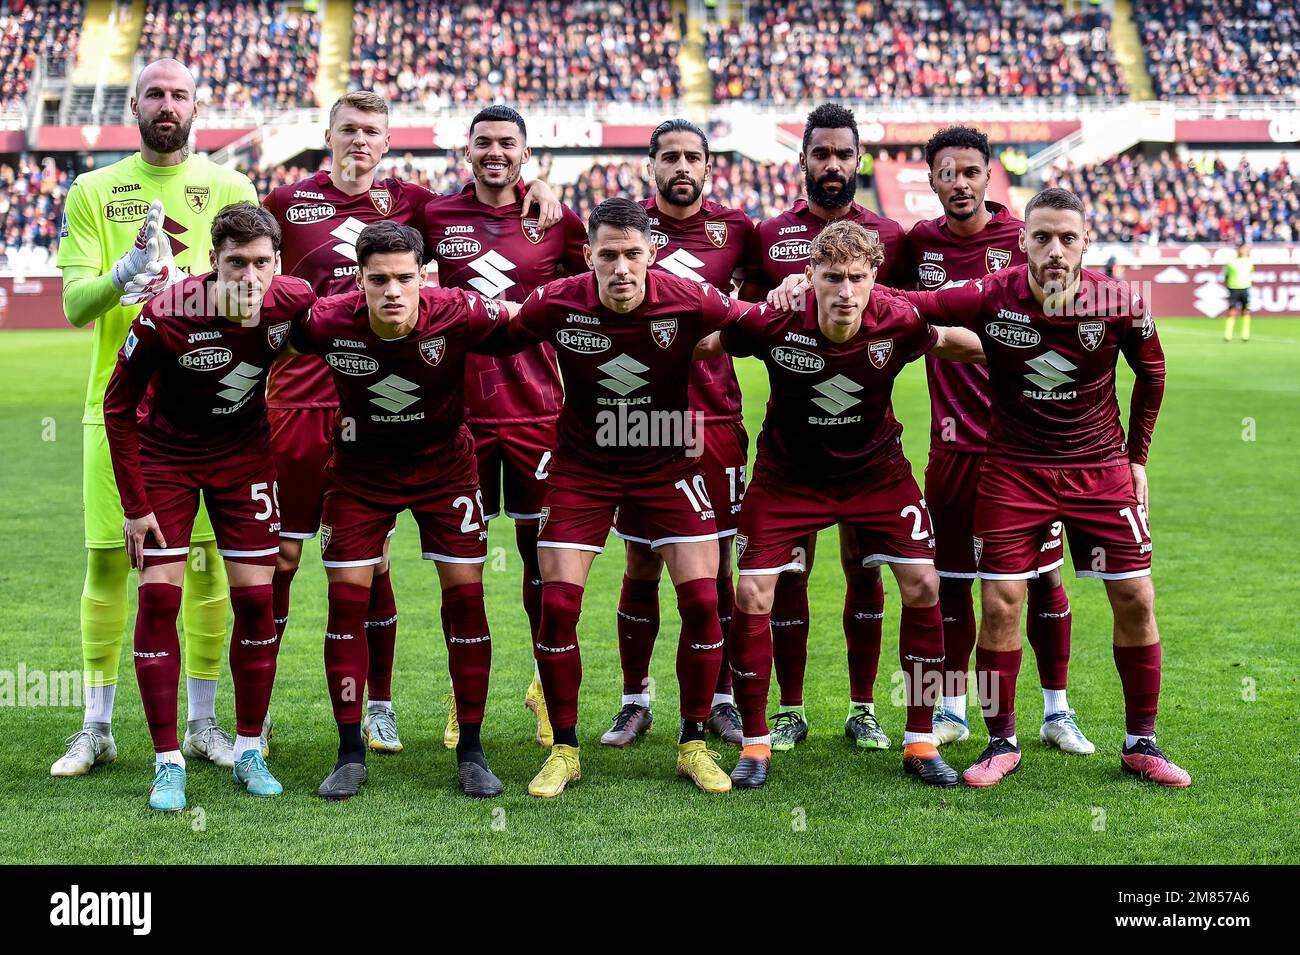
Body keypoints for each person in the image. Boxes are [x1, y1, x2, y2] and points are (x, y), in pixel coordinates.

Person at [262, 91, 562, 756]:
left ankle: (383, 706)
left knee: (381, 566)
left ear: (388, 139)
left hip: (402, 414)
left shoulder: (415, 204)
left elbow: (488, 202)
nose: (360, 141)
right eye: (349, 129)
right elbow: (252, 278)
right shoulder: (285, 203)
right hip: (300, 405)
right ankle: (258, 715)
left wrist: (538, 182)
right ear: (329, 133)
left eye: (372, 130)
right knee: (282, 559)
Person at [901, 187, 1190, 788]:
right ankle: (1001, 743)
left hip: (1099, 471)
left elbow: (1153, 372)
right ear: (1022, 241)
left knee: (1136, 598)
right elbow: (916, 304)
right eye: (1041, 237)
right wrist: (831, 289)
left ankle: (1142, 742)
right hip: (1013, 472)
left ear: (1086, 242)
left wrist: (1136, 458)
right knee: (1001, 602)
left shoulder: (1119, 300)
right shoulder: (992, 294)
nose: (1054, 250)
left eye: (1067, 237)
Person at [703, 220, 981, 789]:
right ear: (810, 277)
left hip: (876, 474)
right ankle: (755, 743)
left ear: (875, 276)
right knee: (752, 590)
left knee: (925, 584)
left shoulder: (899, 318)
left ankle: (920, 738)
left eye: (858, 277)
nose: (846, 292)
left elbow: (963, 344)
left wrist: (1047, 349)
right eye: (833, 278)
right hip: (788, 478)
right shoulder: (776, 319)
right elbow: (707, 340)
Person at [507, 197, 757, 797]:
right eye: (609, 255)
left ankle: (693, 743)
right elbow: (486, 331)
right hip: (582, 469)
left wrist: (799, 294)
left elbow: (758, 325)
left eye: (633, 255)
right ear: (588, 254)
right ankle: (564, 750)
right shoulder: (558, 301)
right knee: (559, 606)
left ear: (652, 254)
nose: (621, 268)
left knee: (701, 600)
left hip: (667, 463)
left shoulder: (688, 297)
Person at [53, 58, 260, 778]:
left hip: (208, 418)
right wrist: (121, 278)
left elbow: (256, 292)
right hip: (115, 412)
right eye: (155, 94)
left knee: (205, 570)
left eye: (179, 94)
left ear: (196, 105)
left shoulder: (230, 186)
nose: (166, 104)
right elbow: (74, 307)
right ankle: (97, 727)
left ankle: (203, 725)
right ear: (133, 104)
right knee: (110, 564)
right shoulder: (92, 190)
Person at [290, 222, 520, 800]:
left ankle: (471, 749)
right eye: (378, 280)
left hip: (446, 470)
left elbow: (536, 316)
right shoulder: (327, 321)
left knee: (466, 600)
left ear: (425, 277)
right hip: (359, 476)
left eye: (404, 278)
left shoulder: (459, 312)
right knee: (345, 604)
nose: (392, 291)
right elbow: (260, 321)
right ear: (358, 282)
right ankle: (349, 751)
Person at [101, 202, 315, 810]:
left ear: (277, 264)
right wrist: (135, 505)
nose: (249, 277)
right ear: (213, 263)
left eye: (261, 264)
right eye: (235, 263)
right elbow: (119, 409)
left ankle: (249, 748)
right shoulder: (166, 315)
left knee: (257, 599)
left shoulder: (288, 298)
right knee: (161, 597)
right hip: (166, 459)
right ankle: (168, 761)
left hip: (243, 459)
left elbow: (336, 316)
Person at [904, 127, 1091, 753]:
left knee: (1041, 578)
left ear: (990, 177)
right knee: (953, 578)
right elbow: (892, 303)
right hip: (953, 446)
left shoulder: (1025, 243)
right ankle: (956, 705)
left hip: (1028, 447)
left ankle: (1056, 708)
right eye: (947, 172)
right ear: (931, 179)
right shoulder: (917, 244)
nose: (960, 183)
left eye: (971, 172)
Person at [738, 103, 907, 753]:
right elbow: (745, 314)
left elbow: (913, 314)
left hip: (867, 441)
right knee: (788, 573)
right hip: (791, 444)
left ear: (858, 159)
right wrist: (769, 301)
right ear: (803, 160)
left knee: (866, 570)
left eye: (843, 154)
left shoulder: (891, 236)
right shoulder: (771, 233)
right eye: (821, 154)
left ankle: (863, 707)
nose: (832, 165)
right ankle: (791, 707)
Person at [422, 104, 587, 752]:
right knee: (460, 570)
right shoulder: (435, 216)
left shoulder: (555, 218)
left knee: (542, 564)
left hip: (538, 414)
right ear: (468, 150)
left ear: (526, 153)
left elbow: (596, 287)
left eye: (507, 144)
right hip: (456, 417)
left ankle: (546, 689)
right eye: (484, 142)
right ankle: (464, 702)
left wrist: (550, 191)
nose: (495, 152)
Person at [600, 118, 755, 749]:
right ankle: (635, 700)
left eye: (693, 157)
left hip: (715, 418)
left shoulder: (739, 230)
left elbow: (762, 310)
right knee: (640, 557)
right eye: (670, 157)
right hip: (640, 419)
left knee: (719, 561)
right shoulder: (623, 228)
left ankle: (720, 698)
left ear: (709, 167)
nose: (681, 167)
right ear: (651, 166)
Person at [1223, 242, 1253, 342]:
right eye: (1243, 249)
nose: (1244, 251)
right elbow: (1226, 276)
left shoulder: (1249, 262)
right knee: (1232, 311)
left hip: (1245, 288)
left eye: (1246, 249)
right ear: (1238, 250)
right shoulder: (1231, 263)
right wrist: (1228, 286)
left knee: (1246, 311)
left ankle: (1245, 334)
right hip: (1234, 288)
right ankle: (1228, 334)